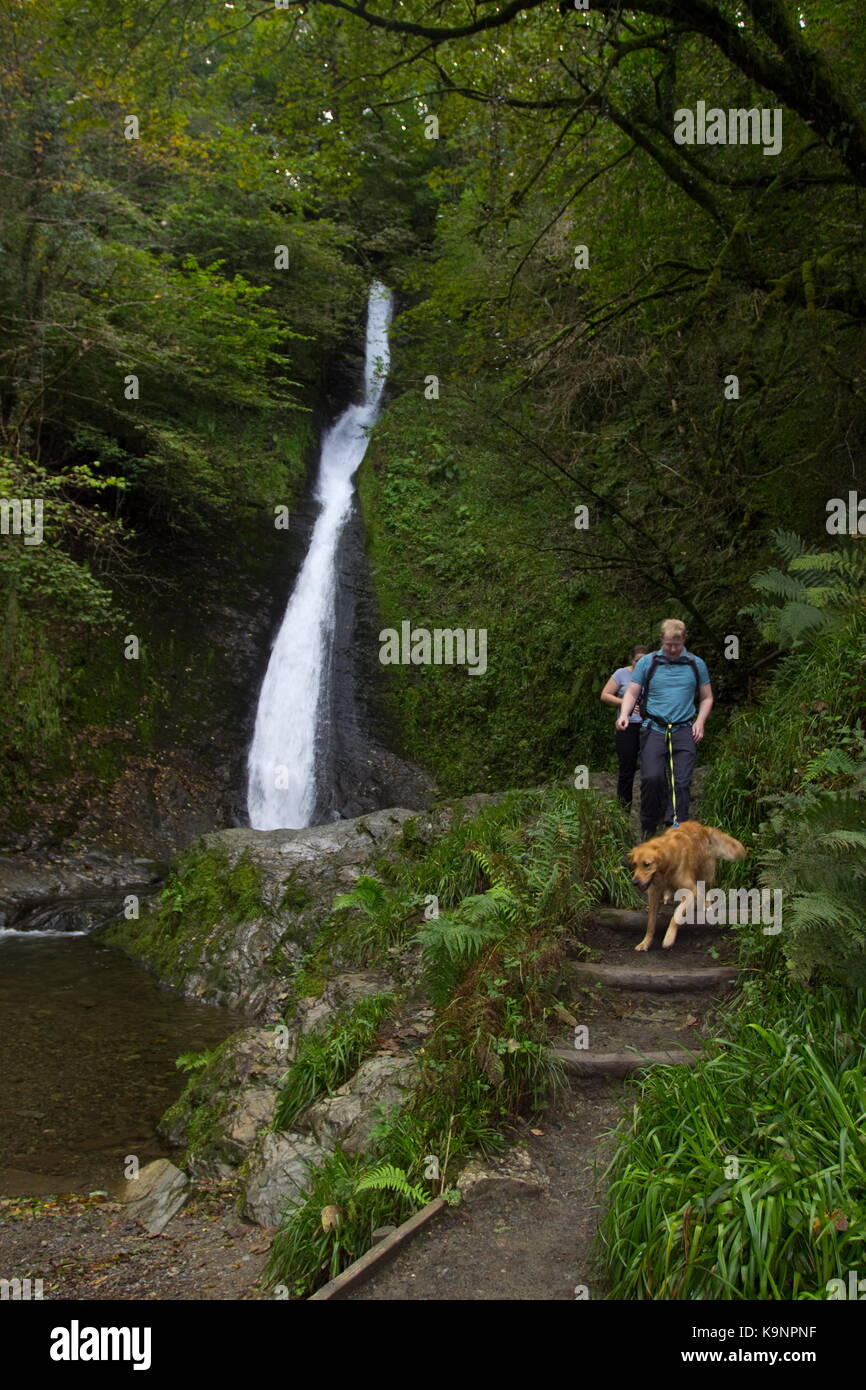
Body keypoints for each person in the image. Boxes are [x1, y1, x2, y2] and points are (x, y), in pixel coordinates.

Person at [616, 619, 713, 840]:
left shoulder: (695, 664)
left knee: (681, 781)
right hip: (654, 727)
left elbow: (707, 698)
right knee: (651, 777)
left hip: (684, 728)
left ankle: (676, 829)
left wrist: (700, 722)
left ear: (684, 640)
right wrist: (624, 714)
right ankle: (649, 828)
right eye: (669, 644)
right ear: (662, 640)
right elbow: (631, 692)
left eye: (676, 645)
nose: (672, 649)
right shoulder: (647, 663)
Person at [601, 645, 649, 810]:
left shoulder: (653, 674)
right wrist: (624, 702)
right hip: (627, 725)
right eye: (637, 660)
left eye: (644, 660)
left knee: (652, 769)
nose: (640, 664)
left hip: (649, 726)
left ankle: (652, 808)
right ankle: (623, 809)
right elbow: (605, 694)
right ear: (631, 660)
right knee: (627, 768)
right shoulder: (621, 674)